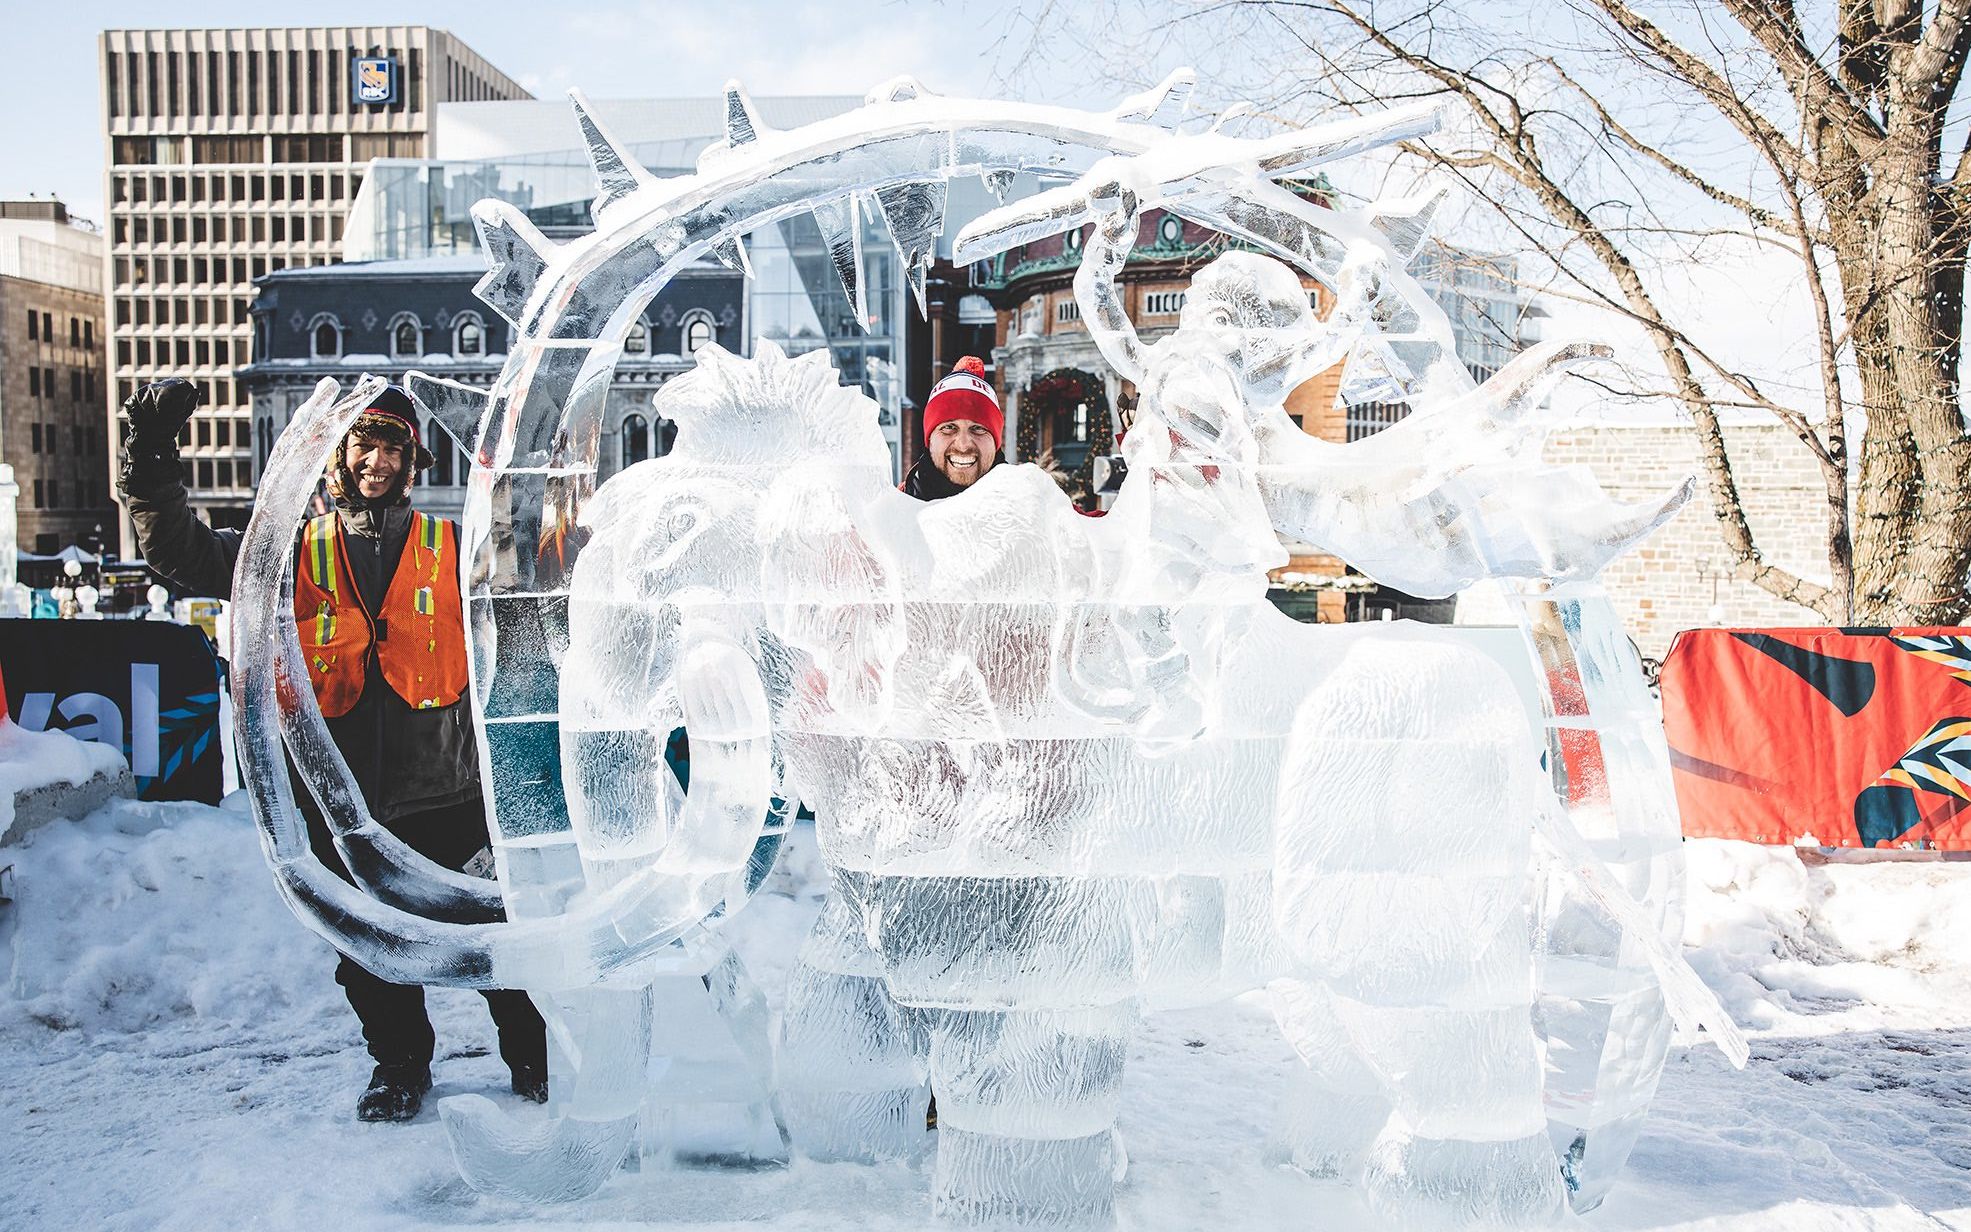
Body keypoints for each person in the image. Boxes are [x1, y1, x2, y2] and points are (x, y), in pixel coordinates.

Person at [119, 378, 548, 1123]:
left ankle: (533, 1059)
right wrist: (150, 465)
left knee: (491, 940)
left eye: (393, 448)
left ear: (412, 462)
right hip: (339, 802)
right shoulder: (286, 555)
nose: (377, 461)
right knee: (369, 955)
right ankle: (401, 1067)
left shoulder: (451, 549)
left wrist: (520, 457)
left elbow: (529, 576)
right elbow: (180, 554)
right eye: (364, 444)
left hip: (449, 796)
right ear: (336, 455)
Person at [901, 356, 1003, 499]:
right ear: (930, 439)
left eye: (978, 428)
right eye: (949, 427)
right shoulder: (892, 510)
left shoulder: (1032, 511)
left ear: (996, 442)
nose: (963, 445)